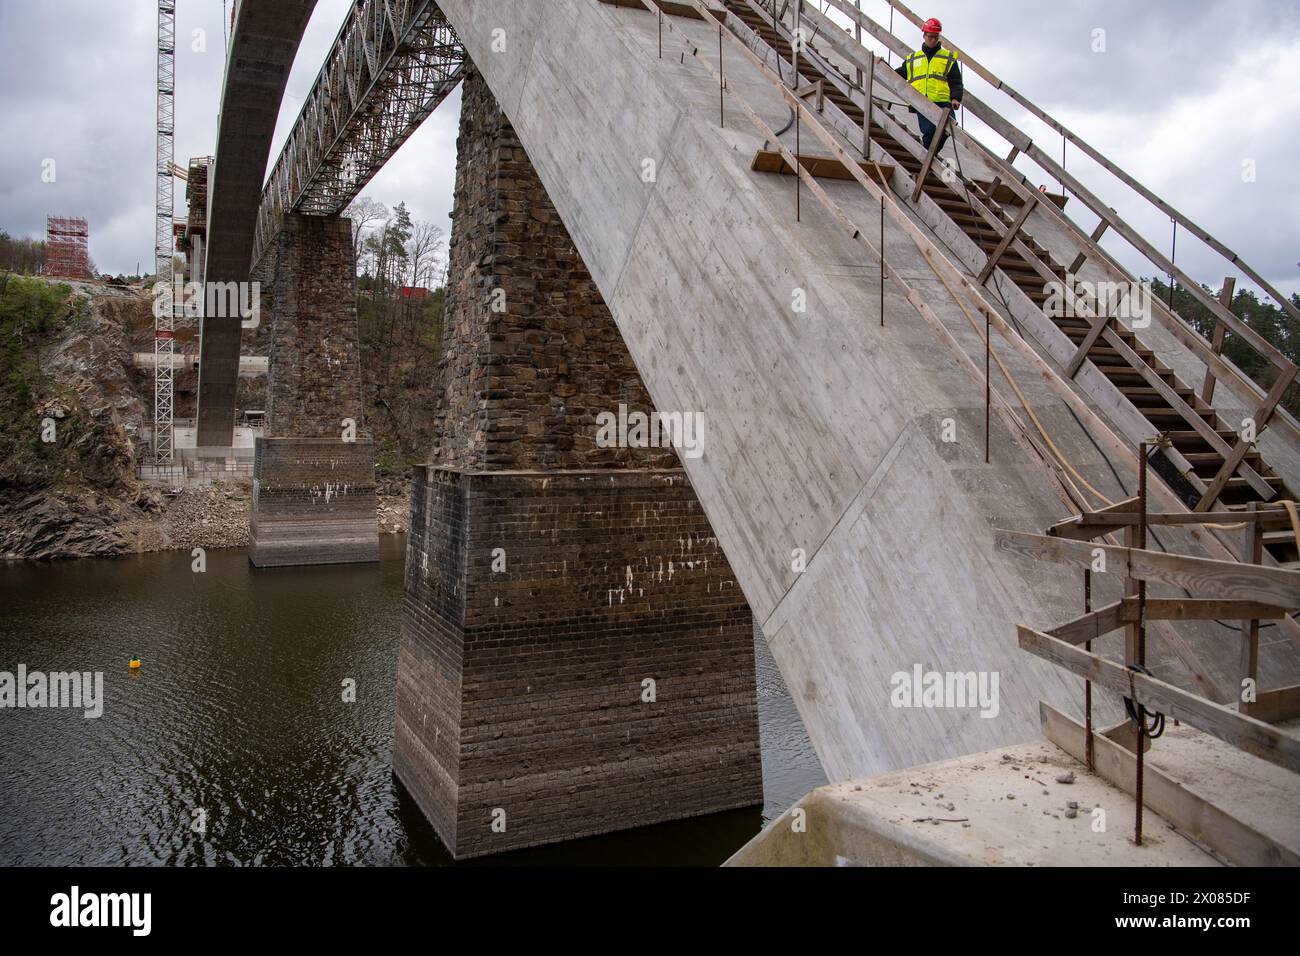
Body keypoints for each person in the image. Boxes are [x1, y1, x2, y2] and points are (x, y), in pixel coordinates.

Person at [895, 17, 963, 154]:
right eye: (930, 37)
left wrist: (956, 98)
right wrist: (882, 64)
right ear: (924, 36)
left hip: (943, 102)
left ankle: (928, 156)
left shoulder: (947, 57)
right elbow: (899, 73)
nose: (932, 40)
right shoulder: (913, 59)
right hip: (921, 101)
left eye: (935, 37)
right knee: (930, 131)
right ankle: (928, 157)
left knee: (949, 129)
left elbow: (956, 80)